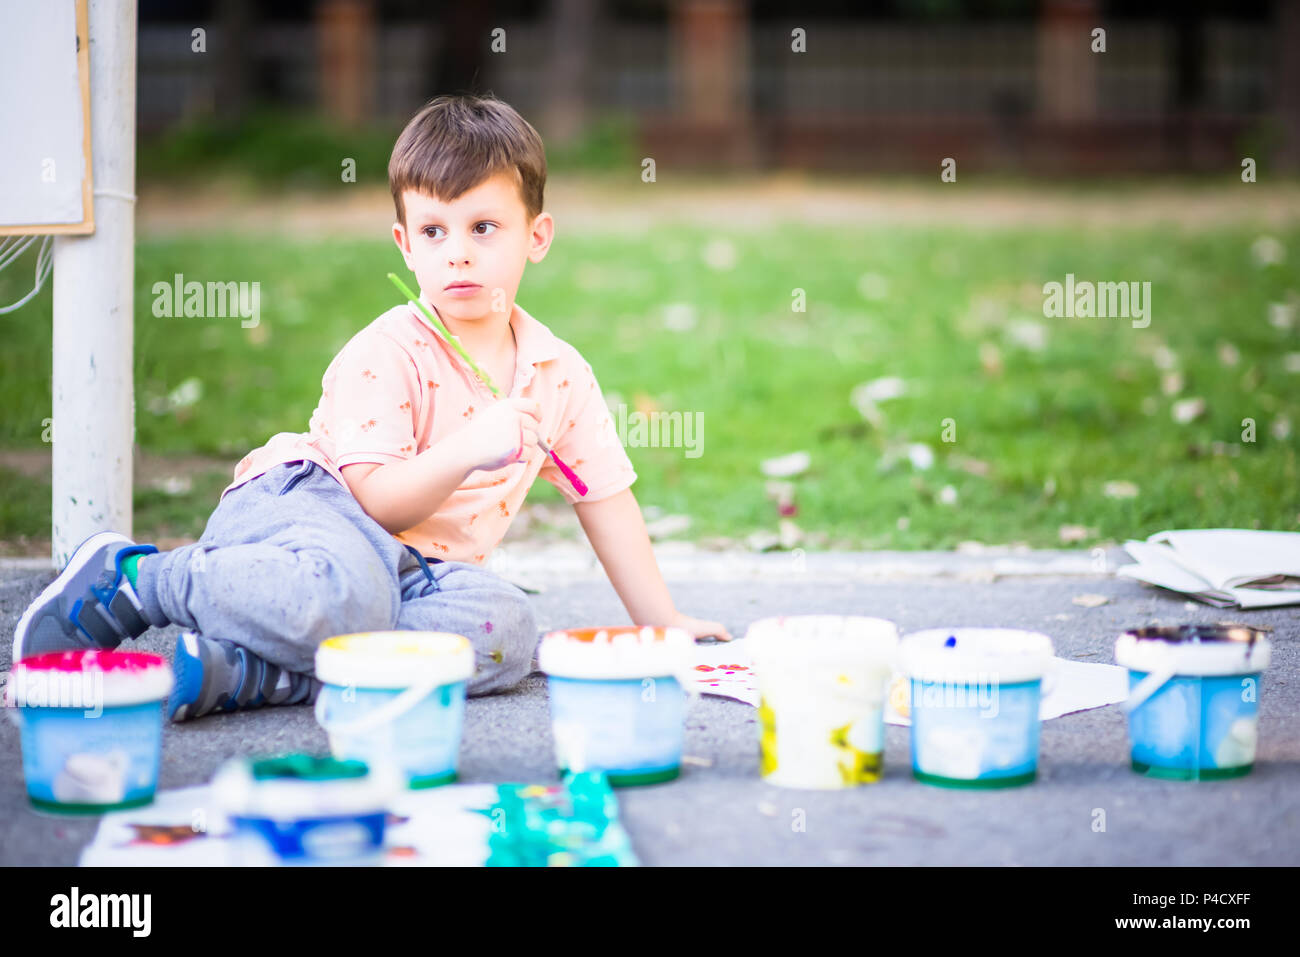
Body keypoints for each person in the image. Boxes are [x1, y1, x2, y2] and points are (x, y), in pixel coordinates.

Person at [13, 93, 731, 720]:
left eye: (484, 228)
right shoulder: (386, 351)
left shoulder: (557, 375)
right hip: (308, 507)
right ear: (405, 244)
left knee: (505, 627)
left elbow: (603, 496)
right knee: (348, 596)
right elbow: (378, 502)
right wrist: (472, 444)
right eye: (433, 231)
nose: (457, 253)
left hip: (412, 568)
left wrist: (661, 622)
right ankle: (144, 577)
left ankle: (261, 674)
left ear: (535, 237)